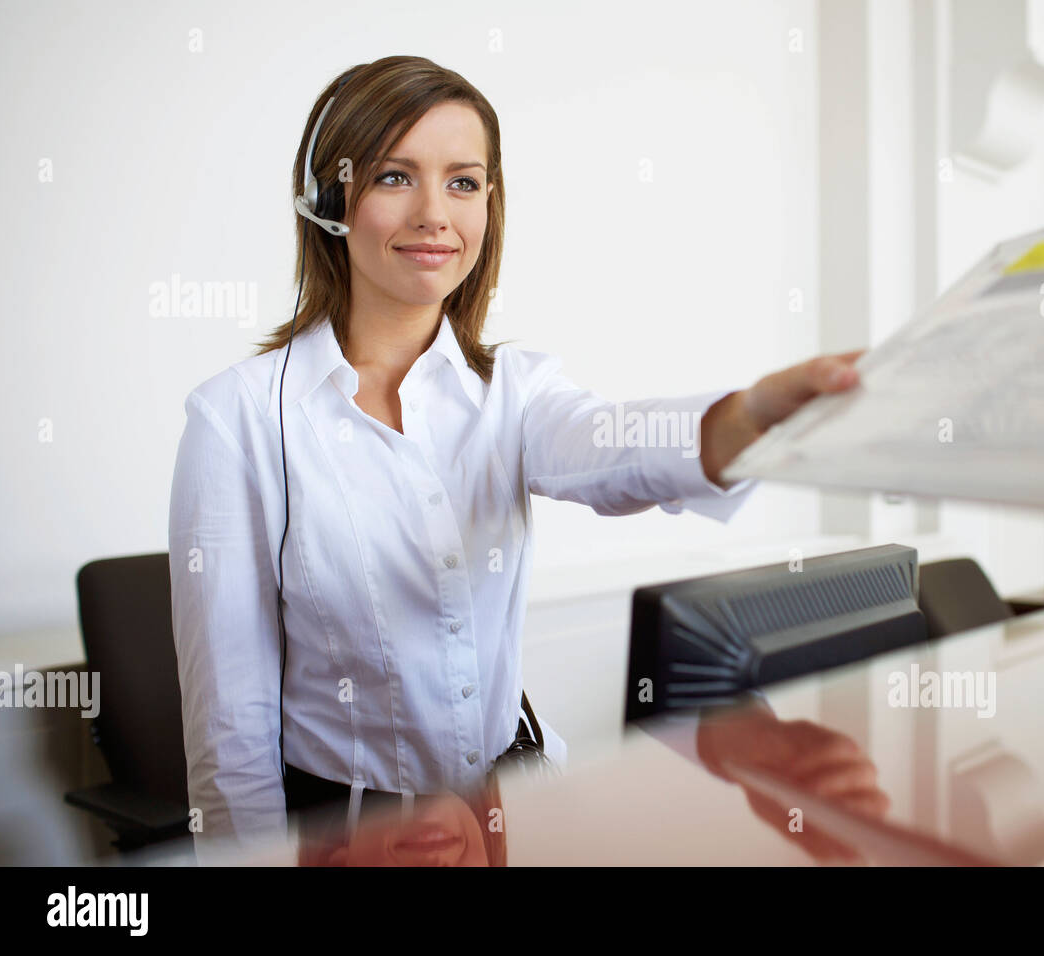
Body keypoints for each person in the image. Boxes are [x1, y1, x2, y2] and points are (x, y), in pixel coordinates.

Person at [167, 55, 864, 863]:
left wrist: (747, 419)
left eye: (464, 183)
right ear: (330, 201)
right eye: (396, 177)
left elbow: (614, 451)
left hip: (511, 811)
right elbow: (229, 729)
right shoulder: (237, 419)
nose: (436, 213)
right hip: (350, 839)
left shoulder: (517, 391)